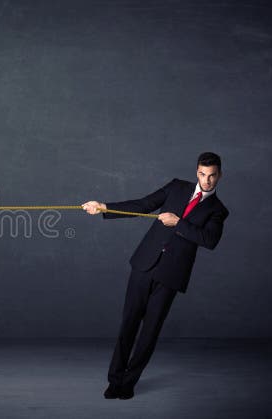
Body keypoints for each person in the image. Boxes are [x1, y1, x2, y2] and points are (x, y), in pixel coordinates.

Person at [81, 152, 230, 400]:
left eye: (212, 176)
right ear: (196, 172)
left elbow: (209, 240)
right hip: (144, 264)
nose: (207, 181)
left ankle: (128, 383)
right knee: (128, 324)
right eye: (203, 175)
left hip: (171, 275)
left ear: (219, 176)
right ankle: (114, 380)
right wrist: (104, 207)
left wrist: (178, 223)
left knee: (149, 332)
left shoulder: (217, 210)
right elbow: (143, 205)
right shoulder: (177, 187)